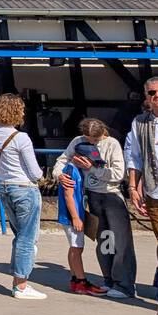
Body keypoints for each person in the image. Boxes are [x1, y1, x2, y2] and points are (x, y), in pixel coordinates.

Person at [0, 93, 48, 300]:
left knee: (21, 234)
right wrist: (40, 177)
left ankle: (19, 273)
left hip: (4, 186)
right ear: (17, 113)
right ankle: (21, 284)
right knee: (28, 237)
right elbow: (35, 171)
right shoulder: (21, 138)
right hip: (24, 187)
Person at [54, 119, 132, 298]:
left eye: (95, 140)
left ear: (103, 133)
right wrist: (59, 174)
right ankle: (108, 279)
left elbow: (118, 174)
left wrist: (93, 169)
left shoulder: (112, 144)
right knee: (105, 241)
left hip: (111, 196)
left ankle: (125, 284)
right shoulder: (77, 141)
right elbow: (62, 159)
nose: (91, 143)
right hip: (92, 197)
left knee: (120, 241)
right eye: (88, 139)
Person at [50, 124, 110, 296]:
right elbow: (69, 196)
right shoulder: (73, 171)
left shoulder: (76, 170)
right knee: (77, 248)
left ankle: (76, 279)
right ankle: (82, 281)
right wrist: (76, 217)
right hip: (72, 215)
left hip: (75, 213)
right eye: (90, 160)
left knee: (75, 247)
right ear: (81, 158)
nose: (90, 164)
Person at [124, 76, 158, 313]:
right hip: (154, 191)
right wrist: (133, 187)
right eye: (152, 93)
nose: (157, 97)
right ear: (146, 97)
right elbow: (134, 156)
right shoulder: (140, 123)